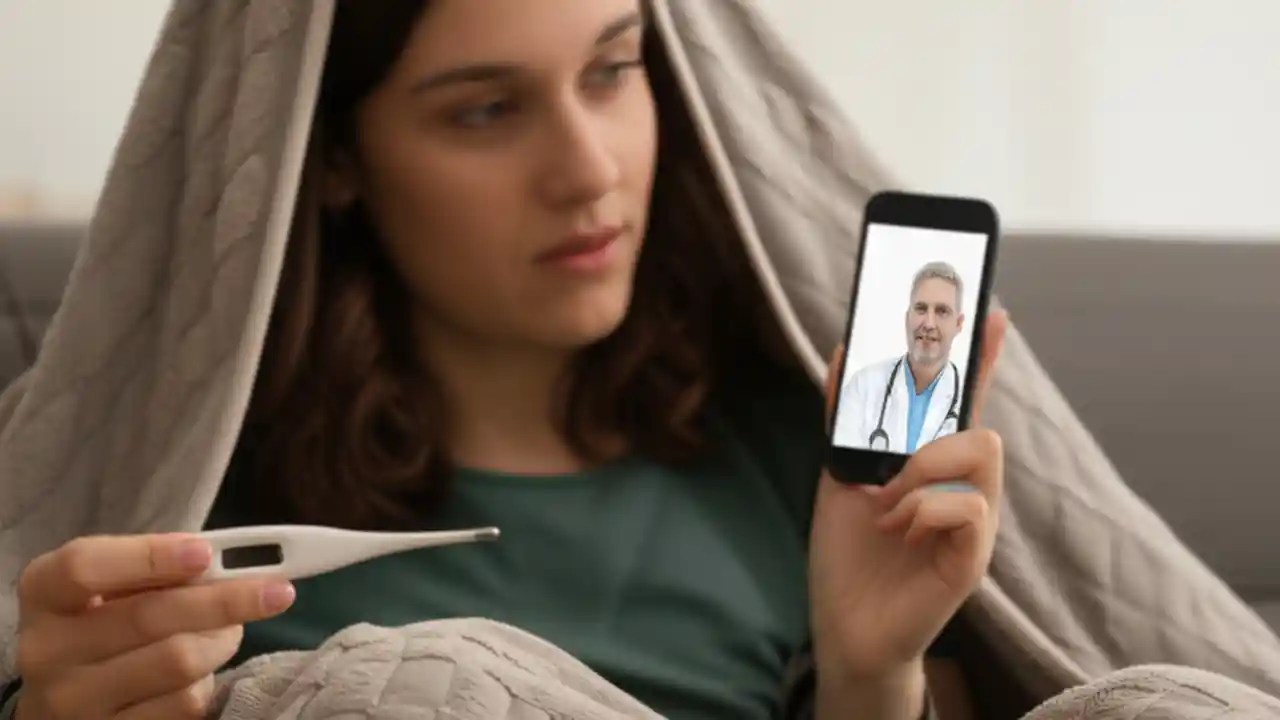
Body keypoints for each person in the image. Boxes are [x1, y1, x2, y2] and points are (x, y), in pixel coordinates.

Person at [3, 2, 1009, 719]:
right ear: (337, 156)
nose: (588, 169)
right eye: (485, 110)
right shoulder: (172, 533)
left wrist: (871, 676)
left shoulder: (824, 463)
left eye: (612, 71)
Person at [833, 261, 969, 455]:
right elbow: (844, 465)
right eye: (921, 309)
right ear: (907, 317)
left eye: (942, 311)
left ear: (958, 324)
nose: (929, 323)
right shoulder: (862, 386)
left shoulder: (968, 400)